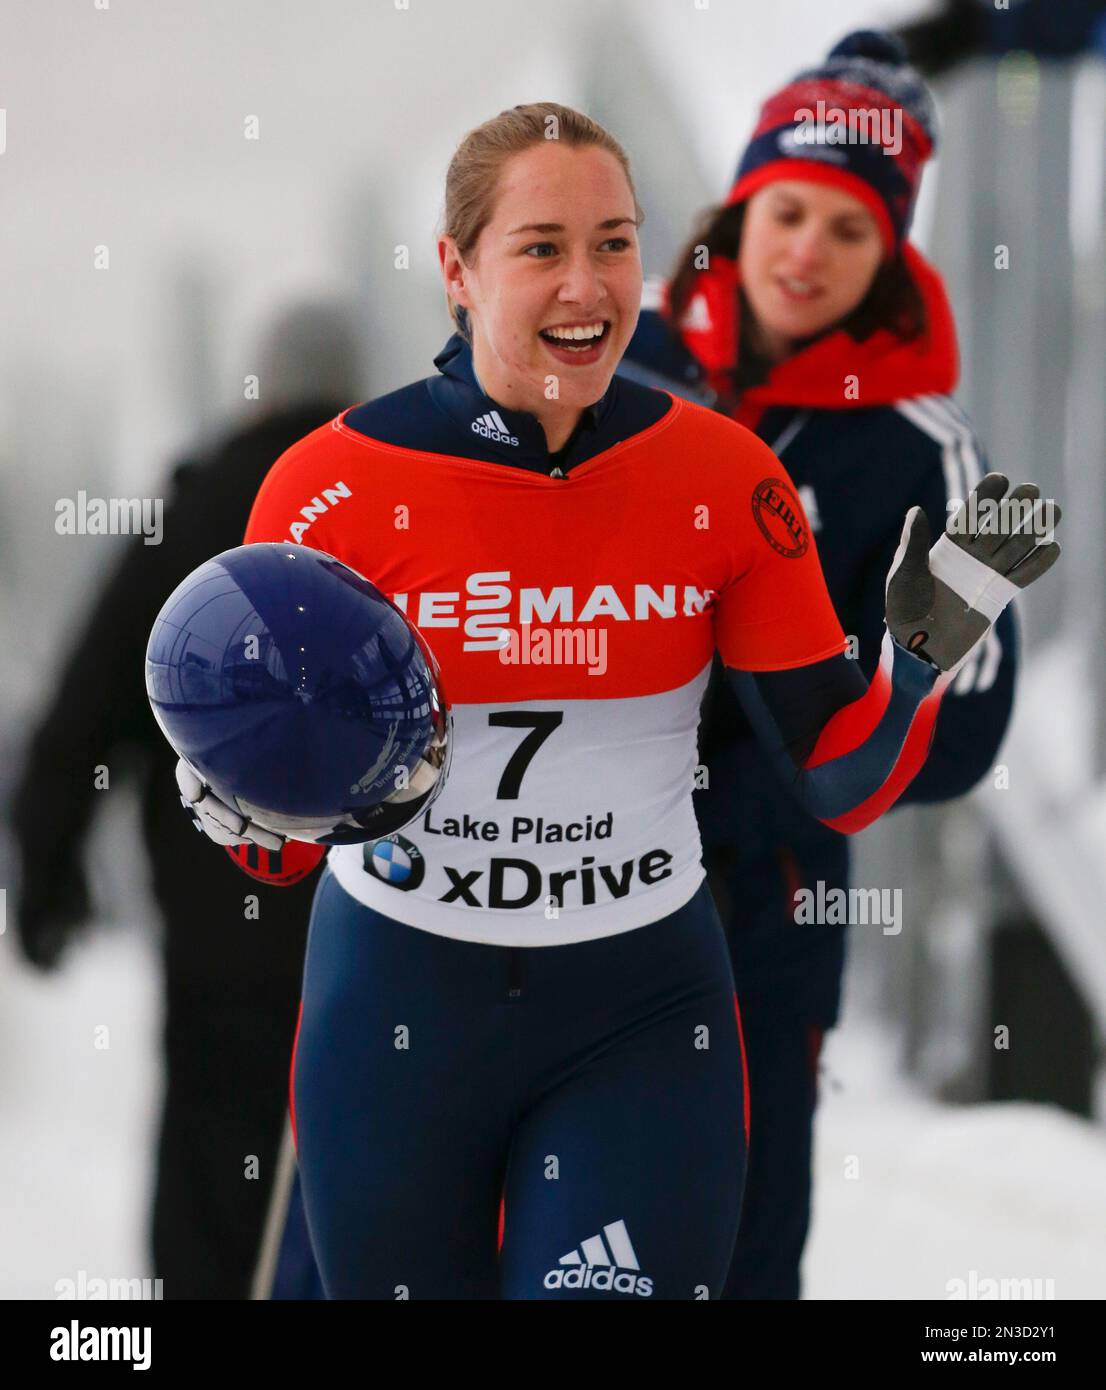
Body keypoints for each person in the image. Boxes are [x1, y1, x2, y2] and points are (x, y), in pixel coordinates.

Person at [177, 101, 1058, 1299]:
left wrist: (909, 667)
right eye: (540, 246)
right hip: (395, 1012)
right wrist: (246, 810)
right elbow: (283, 848)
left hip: (640, 1017)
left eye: (613, 242)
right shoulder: (332, 487)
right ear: (457, 268)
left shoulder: (720, 476)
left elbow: (835, 779)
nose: (586, 282)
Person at [618, 30, 1020, 1300]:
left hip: (759, 913)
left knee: (736, 1246)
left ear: (888, 254)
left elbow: (958, 742)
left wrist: (902, 664)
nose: (805, 251)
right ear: (737, 209)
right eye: (785, 210)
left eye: (847, 231)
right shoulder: (605, 365)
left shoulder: (915, 447)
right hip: (550, 883)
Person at [8, 303, 360, 1298]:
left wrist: (47, 871)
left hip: (222, 920)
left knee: (217, 1159)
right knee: (382, 1147)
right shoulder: (396, 506)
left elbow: (82, 711)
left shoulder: (186, 513)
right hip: (390, 913)